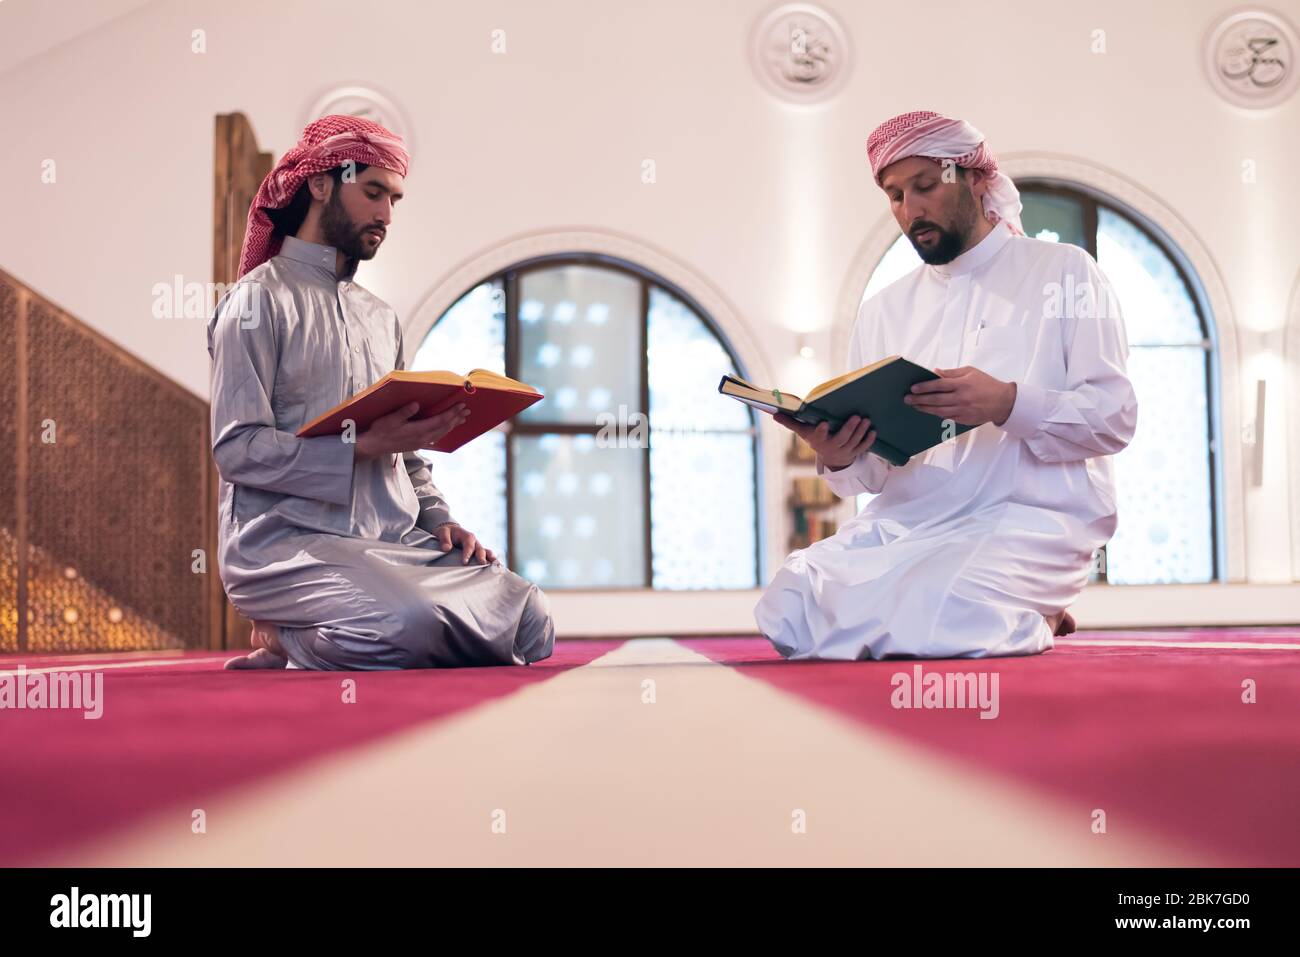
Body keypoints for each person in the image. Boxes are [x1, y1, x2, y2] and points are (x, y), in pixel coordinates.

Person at [756, 110, 1138, 660]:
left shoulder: (1065, 273)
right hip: (911, 522)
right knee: (792, 602)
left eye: (926, 186)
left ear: (976, 178)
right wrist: (840, 456)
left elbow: (1114, 418)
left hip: (1029, 519)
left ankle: (1038, 612)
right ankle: (1009, 610)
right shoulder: (883, 310)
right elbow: (872, 475)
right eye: (894, 195)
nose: (911, 209)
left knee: (941, 606)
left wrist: (1007, 403)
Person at [209, 115, 553, 670]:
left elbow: (405, 455)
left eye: (394, 199)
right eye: (372, 193)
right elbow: (236, 450)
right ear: (320, 184)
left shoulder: (379, 317)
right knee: (408, 622)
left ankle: (327, 631)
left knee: (529, 618)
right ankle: (287, 638)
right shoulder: (257, 302)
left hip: (394, 542)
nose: (385, 215)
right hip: (288, 544)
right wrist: (359, 447)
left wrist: (439, 522)